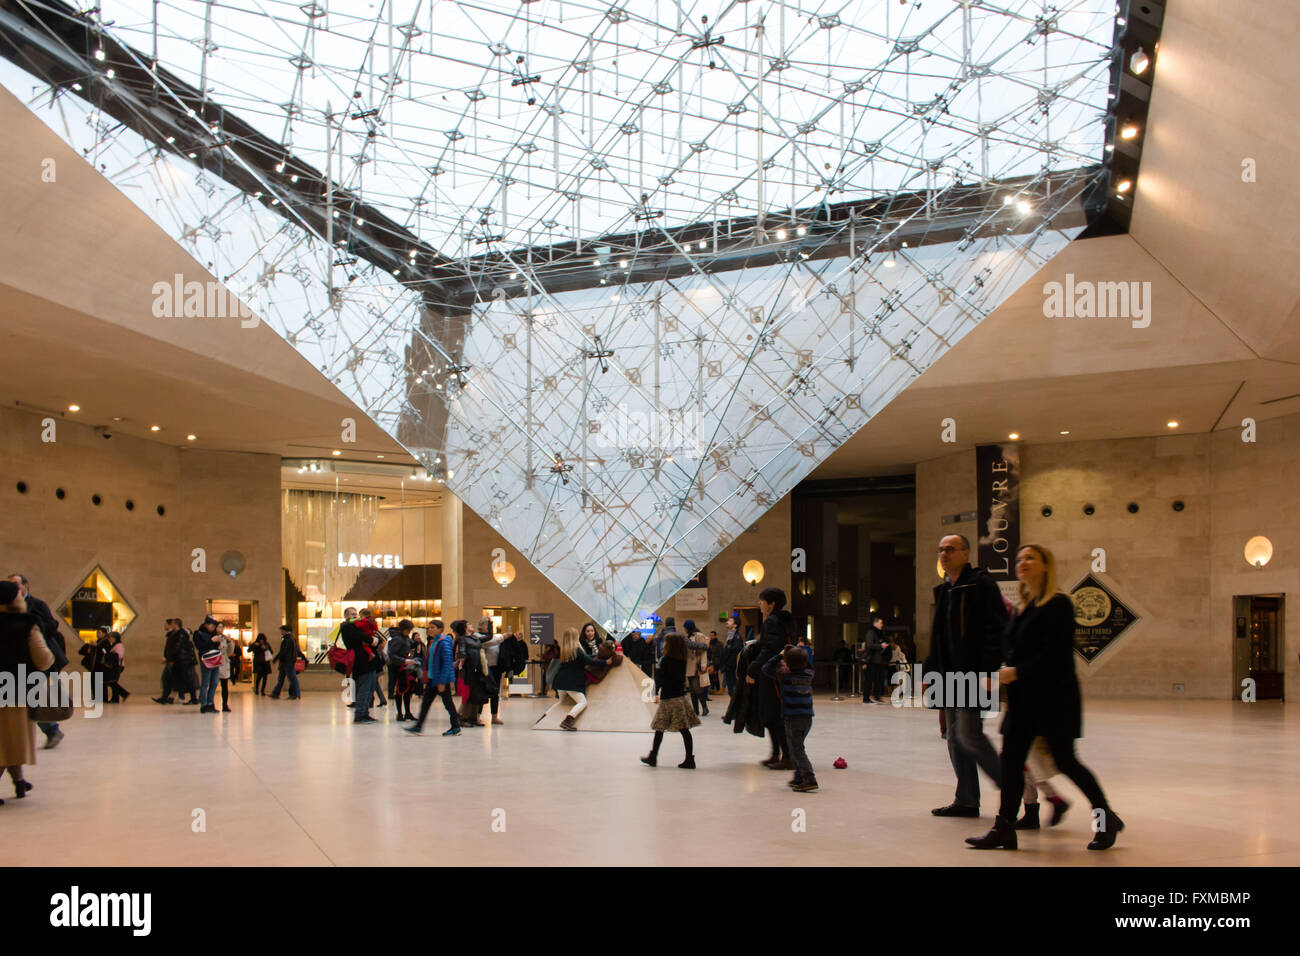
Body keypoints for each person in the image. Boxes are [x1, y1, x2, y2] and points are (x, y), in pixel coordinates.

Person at [967, 545, 1124, 851]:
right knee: (1011, 761)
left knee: (1067, 761)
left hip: (1054, 698)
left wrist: (1016, 672)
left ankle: (1106, 819)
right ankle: (1004, 828)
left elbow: (1056, 658)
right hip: (1023, 700)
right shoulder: (1026, 606)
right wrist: (1001, 671)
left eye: (1030, 558)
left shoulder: (1059, 604)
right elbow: (1015, 651)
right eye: (1019, 559)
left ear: (1045, 565)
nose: (1022, 563)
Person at [924, 533, 1008, 818]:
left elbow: (996, 631)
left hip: (974, 674)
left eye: (950, 549)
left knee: (968, 734)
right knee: (953, 737)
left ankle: (1010, 785)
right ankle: (967, 800)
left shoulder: (981, 584)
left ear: (965, 553)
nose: (944, 554)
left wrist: (988, 671)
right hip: (948, 676)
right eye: (941, 549)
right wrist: (930, 672)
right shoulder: (945, 590)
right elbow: (937, 638)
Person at [0, 579, 56, 803]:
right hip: (14, 690)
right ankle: (18, 782)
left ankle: (19, 782)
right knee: (12, 740)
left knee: (8, 739)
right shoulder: (25, 624)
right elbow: (44, 658)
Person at [7, 574, 65, 749]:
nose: (14, 589)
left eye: (16, 585)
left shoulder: (37, 605)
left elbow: (52, 625)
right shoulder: (6, 607)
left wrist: (33, 627)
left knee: (34, 698)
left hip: (34, 660)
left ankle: (52, 729)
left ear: (26, 586)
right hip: (14, 661)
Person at [746, 587, 794, 770]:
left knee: (773, 715)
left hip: (771, 673)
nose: (760, 603)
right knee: (772, 715)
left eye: (762, 600)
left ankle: (786, 756)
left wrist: (752, 668)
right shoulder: (784, 621)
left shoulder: (773, 621)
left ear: (772, 604)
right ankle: (776, 753)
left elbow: (770, 649)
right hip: (780, 672)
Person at [640, 631, 699, 767]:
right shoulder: (681, 660)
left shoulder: (666, 660)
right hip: (679, 697)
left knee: (661, 728)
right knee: (683, 729)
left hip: (668, 698)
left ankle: (654, 756)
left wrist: (656, 693)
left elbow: (660, 678)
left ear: (670, 645)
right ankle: (688, 758)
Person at [763, 645, 817, 792]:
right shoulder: (809, 674)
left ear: (787, 662)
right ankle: (799, 777)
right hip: (807, 718)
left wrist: (780, 654)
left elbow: (766, 668)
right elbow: (809, 665)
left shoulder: (785, 675)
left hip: (793, 718)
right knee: (796, 747)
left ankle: (809, 778)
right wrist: (802, 654)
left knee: (797, 749)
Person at [405, 620, 461, 736]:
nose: (429, 629)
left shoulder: (443, 642)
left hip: (440, 680)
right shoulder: (433, 642)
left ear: (440, 629)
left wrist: (442, 681)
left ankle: (455, 726)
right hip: (433, 679)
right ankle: (419, 726)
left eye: (432, 627)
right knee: (426, 703)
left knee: (448, 704)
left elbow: (446, 663)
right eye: (429, 627)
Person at [549, 626, 598, 731]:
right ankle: (568, 721)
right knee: (582, 702)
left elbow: (586, 657)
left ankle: (544, 717)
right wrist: (606, 662)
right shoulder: (577, 650)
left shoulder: (565, 651)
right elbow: (590, 661)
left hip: (559, 682)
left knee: (561, 703)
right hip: (570, 683)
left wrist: (595, 656)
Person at [343, 607, 382, 723]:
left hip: (367, 661)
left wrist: (373, 640)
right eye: (352, 614)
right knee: (365, 688)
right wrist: (372, 639)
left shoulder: (356, 625)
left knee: (369, 688)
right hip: (361, 661)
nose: (355, 616)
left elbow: (372, 637)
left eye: (356, 614)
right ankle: (360, 714)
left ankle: (364, 713)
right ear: (346, 616)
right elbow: (362, 637)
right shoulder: (347, 626)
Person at [472, 617, 507, 725]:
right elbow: (489, 642)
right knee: (482, 692)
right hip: (484, 668)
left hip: (495, 668)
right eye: (486, 625)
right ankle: (477, 717)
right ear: (481, 625)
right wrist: (503, 637)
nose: (488, 627)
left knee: (495, 693)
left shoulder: (495, 636)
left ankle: (494, 717)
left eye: (489, 625)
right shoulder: (477, 636)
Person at [387, 619, 416, 720]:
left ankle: (407, 712)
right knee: (400, 691)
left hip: (404, 667)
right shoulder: (398, 639)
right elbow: (391, 654)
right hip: (398, 668)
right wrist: (404, 660)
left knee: (406, 690)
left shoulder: (405, 638)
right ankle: (400, 713)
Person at [270, 625, 306, 699]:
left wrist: (275, 659)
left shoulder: (288, 640)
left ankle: (296, 693)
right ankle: (275, 693)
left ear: (285, 631)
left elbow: (283, 651)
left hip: (287, 662)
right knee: (281, 679)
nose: (281, 632)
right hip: (286, 662)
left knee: (292, 678)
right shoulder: (291, 639)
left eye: (282, 630)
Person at [682, 619, 710, 716]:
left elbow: (704, 651)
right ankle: (696, 710)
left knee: (696, 688)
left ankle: (705, 707)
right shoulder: (686, 637)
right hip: (689, 665)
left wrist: (703, 664)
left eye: (685, 627)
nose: (684, 629)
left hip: (696, 665)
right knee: (692, 689)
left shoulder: (699, 636)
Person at [861, 617, 890, 703]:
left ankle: (877, 696)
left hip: (878, 660)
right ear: (875, 623)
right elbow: (869, 645)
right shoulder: (871, 632)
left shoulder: (878, 633)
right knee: (869, 680)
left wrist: (882, 647)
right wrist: (880, 646)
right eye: (881, 623)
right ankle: (866, 698)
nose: (882, 625)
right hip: (871, 660)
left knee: (878, 679)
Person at [719, 617, 742, 698]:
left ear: (735, 625)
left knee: (733, 692)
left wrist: (727, 666)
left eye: (730, 621)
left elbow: (734, 654)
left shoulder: (737, 637)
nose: (727, 622)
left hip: (731, 669)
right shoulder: (730, 635)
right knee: (731, 692)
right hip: (728, 668)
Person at [215, 622, 235, 713]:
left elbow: (230, 652)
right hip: (214, 663)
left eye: (221, 627)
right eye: (218, 627)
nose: (220, 629)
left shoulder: (225, 639)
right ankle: (210, 704)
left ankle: (225, 705)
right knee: (212, 685)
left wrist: (230, 641)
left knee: (224, 686)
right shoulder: (213, 637)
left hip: (224, 663)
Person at [104, 631, 129, 703]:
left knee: (112, 682)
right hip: (115, 666)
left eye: (110, 637)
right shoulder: (115, 645)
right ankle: (122, 695)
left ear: (114, 638)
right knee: (112, 682)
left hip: (117, 666)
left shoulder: (118, 645)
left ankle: (120, 696)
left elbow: (120, 655)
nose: (109, 639)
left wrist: (110, 654)